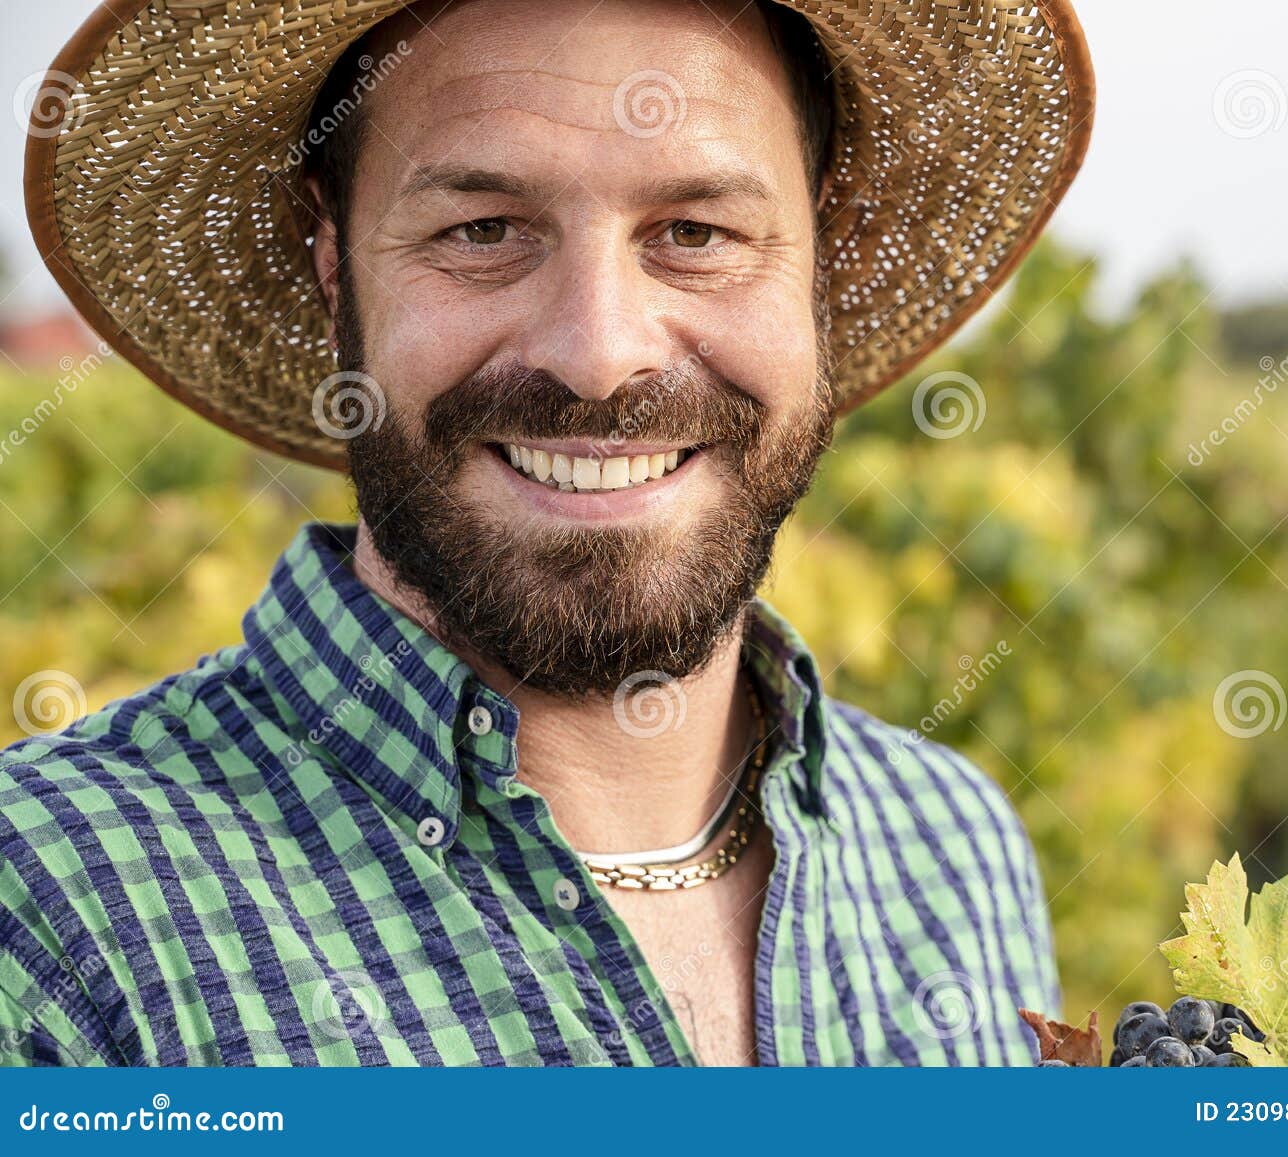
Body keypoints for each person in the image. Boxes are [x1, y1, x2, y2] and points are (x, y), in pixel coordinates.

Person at [3, 0, 1094, 1065]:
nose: (598, 353)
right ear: (332, 260)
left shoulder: (954, 844)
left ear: (821, 251)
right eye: (481, 231)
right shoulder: (49, 911)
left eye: (696, 232)